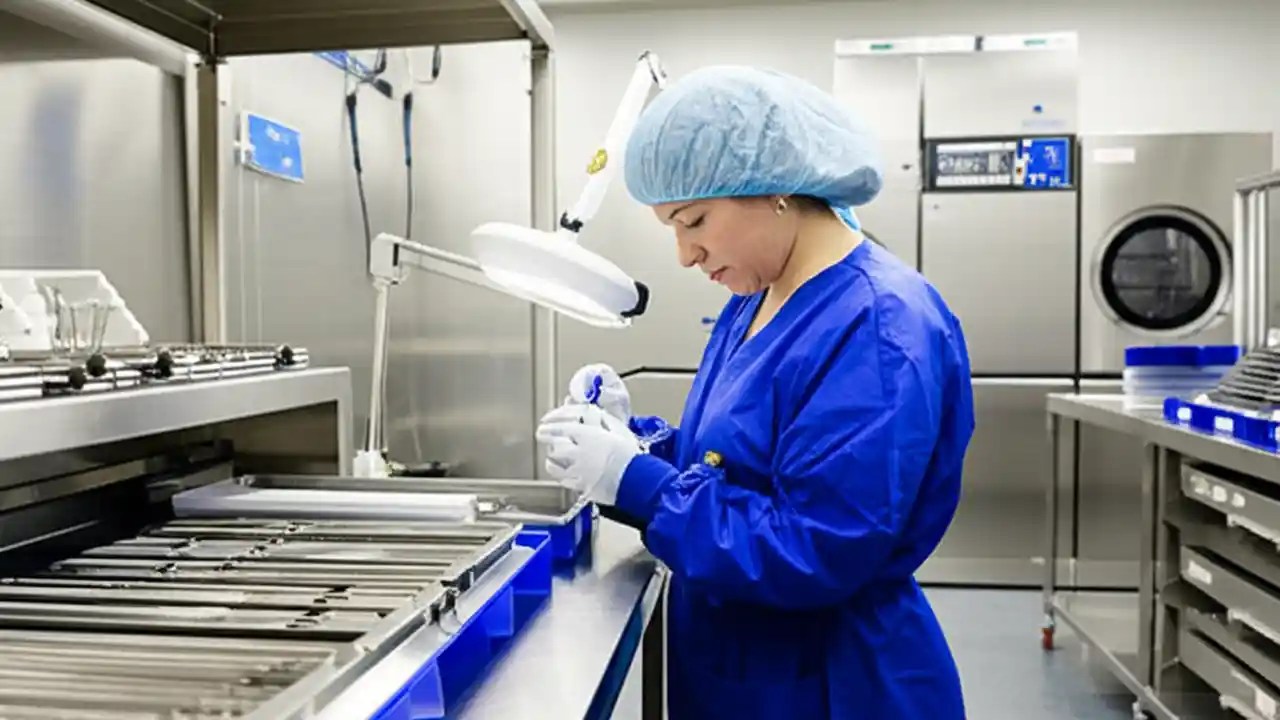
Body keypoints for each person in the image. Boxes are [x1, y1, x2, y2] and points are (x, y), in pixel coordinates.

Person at [536, 65, 974, 720]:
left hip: (827, 682)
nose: (686, 255)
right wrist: (636, 443)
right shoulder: (761, 293)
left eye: (694, 221)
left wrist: (639, 482)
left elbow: (816, 546)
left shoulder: (879, 325)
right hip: (742, 665)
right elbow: (740, 459)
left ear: (771, 189)